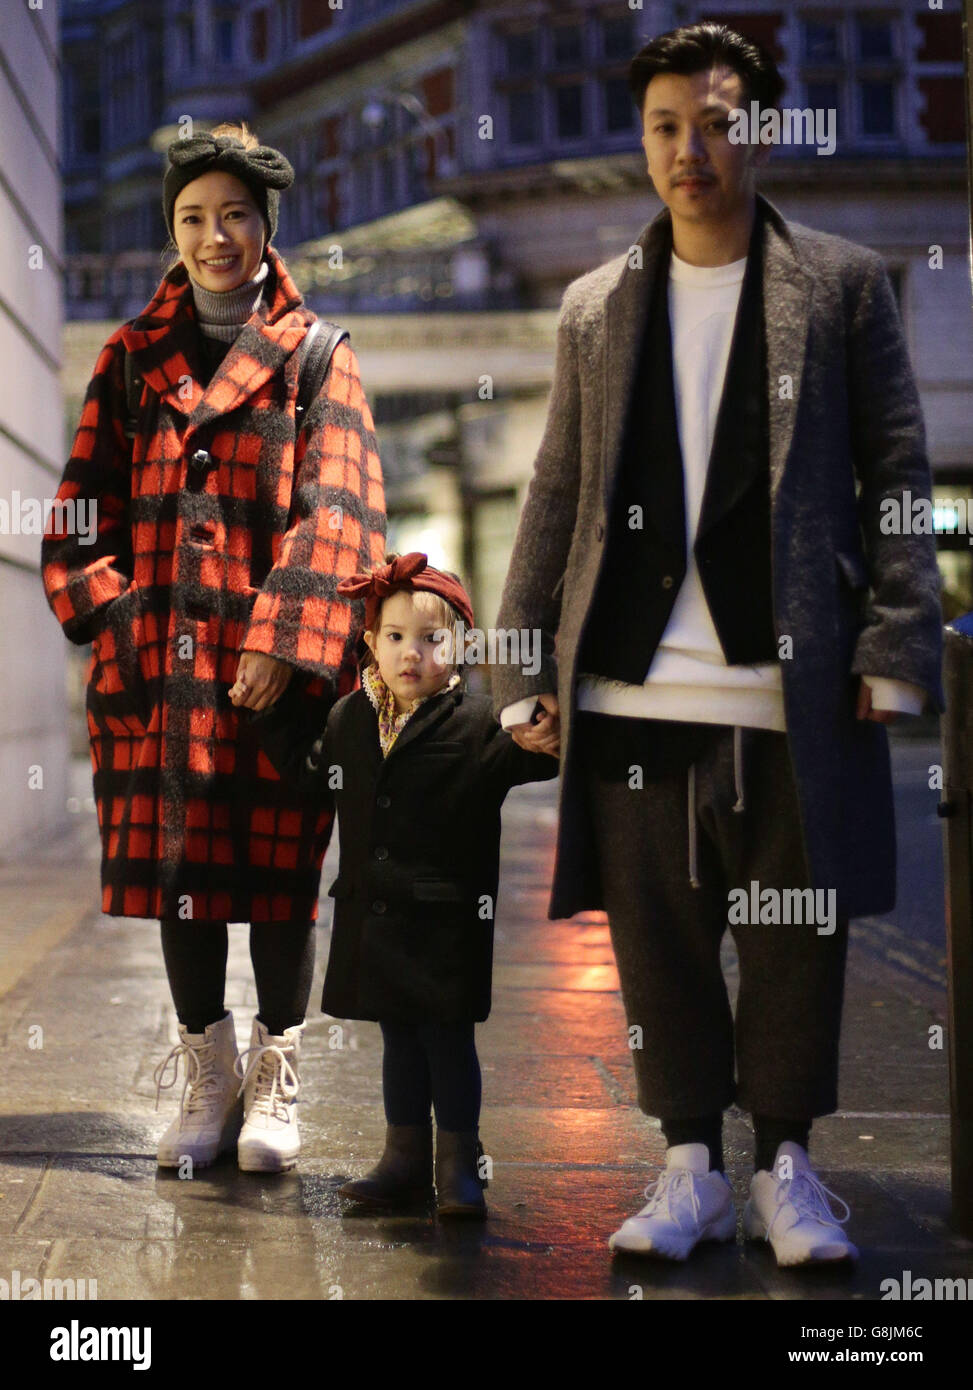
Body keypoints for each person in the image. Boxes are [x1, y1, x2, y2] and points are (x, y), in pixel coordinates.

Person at [491, 23, 944, 1265]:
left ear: (762, 128)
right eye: (665, 126)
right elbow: (557, 492)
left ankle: (788, 1168)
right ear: (641, 142)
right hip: (633, 687)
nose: (691, 148)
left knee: (798, 938)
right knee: (658, 937)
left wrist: (894, 640)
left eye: (717, 120)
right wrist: (520, 669)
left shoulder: (842, 286)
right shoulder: (595, 307)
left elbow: (896, 470)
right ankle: (688, 1162)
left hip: (789, 684)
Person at [41, 123, 386, 1175]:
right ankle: (206, 1066)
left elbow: (343, 512)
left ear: (266, 224)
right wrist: (117, 618)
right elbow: (74, 515)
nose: (215, 236)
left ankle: (278, 1067)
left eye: (234, 214)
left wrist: (284, 637)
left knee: (280, 884)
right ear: (173, 230)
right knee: (176, 875)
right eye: (194, 217)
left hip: (272, 687)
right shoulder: (128, 359)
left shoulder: (318, 355)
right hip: (155, 680)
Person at [242, 552, 558, 1217]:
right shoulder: (349, 719)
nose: (409, 653)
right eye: (394, 638)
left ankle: (459, 1163)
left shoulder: (477, 725)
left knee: (447, 1042)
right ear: (370, 645)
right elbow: (311, 775)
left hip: (445, 925)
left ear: (461, 647)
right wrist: (269, 714)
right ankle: (404, 1160)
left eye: (429, 639)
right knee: (398, 1043)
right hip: (376, 923)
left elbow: (529, 759)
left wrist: (544, 728)